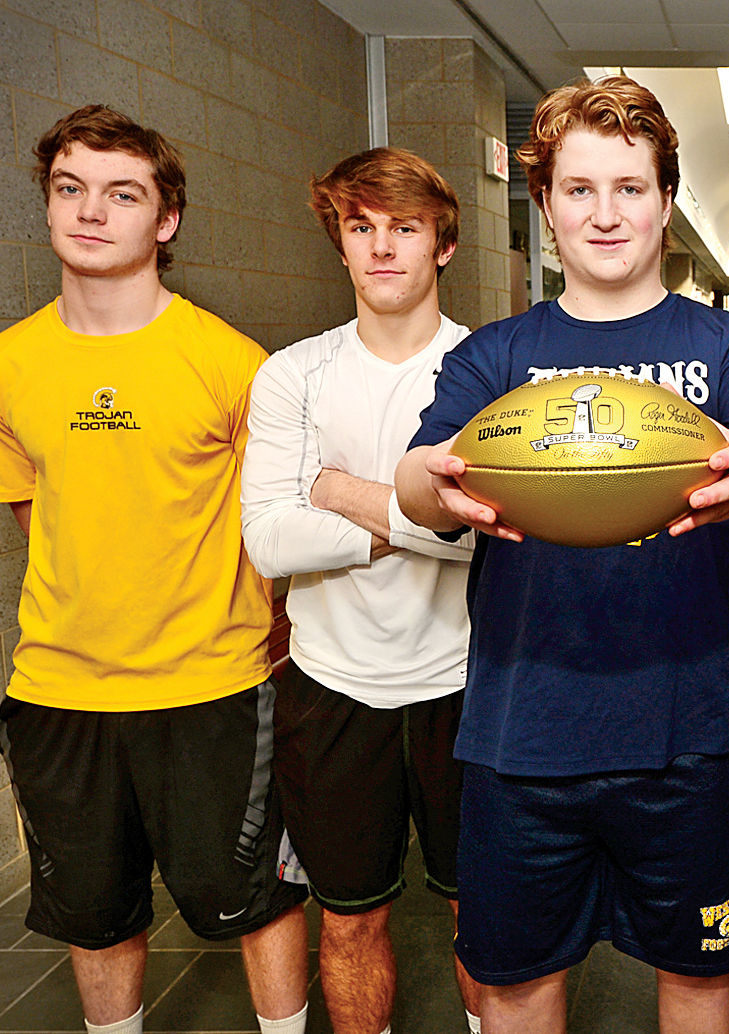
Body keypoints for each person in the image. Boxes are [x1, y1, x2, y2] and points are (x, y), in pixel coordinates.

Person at [392, 76, 729, 1034]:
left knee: (696, 974)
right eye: (580, 189)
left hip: (689, 728)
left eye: (631, 187)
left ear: (665, 200)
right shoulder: (492, 357)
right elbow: (415, 484)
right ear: (546, 204)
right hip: (524, 731)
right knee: (519, 982)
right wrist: (434, 479)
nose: (605, 214)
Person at [0, 105, 308, 1034]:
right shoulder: (1, 369)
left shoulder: (233, 365)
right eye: (69, 189)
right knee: (95, 913)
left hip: (211, 687)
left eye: (122, 194)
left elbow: (268, 525)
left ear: (166, 221)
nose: (90, 212)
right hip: (59, 690)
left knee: (256, 903)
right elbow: (45, 522)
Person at [240, 148, 480, 1034]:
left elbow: (497, 547)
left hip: (468, 686)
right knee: (349, 919)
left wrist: (339, 491)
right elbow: (267, 537)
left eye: (404, 228)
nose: (382, 247)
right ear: (339, 242)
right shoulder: (293, 375)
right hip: (331, 689)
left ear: (442, 245)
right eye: (361, 226)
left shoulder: (485, 371)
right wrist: (424, 519)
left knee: (482, 920)